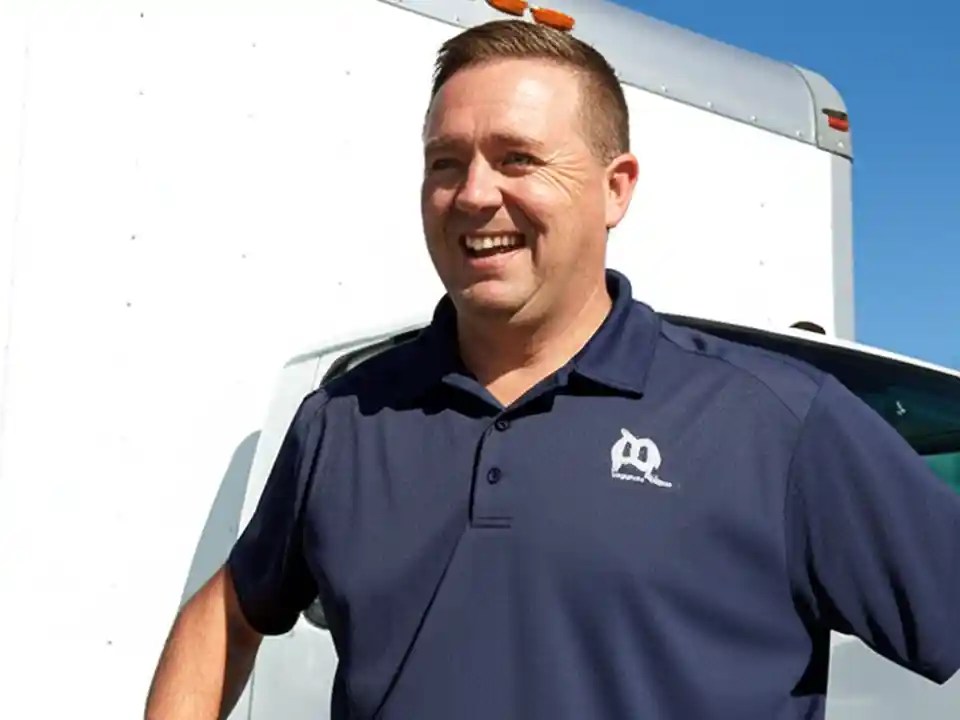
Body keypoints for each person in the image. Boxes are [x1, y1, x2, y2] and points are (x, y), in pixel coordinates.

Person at [145, 18, 960, 720]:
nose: (473, 194)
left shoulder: (775, 422)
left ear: (616, 189)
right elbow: (227, 614)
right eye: (445, 162)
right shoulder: (349, 418)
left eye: (519, 159)